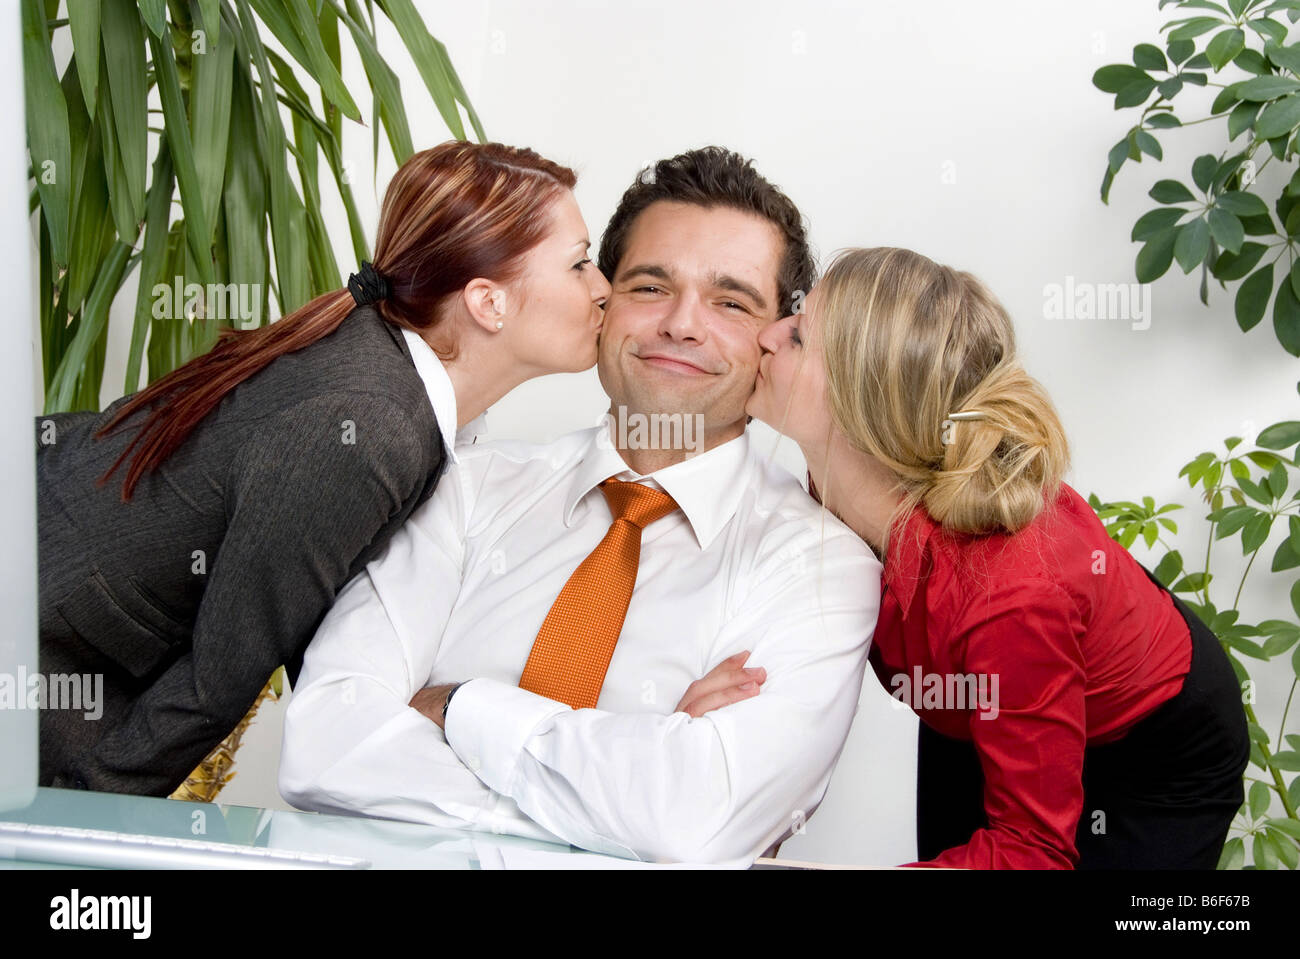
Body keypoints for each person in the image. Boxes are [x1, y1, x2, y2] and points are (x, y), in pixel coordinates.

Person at [278, 146, 882, 865]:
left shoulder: (822, 565)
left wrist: (461, 707)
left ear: (776, 338)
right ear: (602, 302)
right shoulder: (463, 487)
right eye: (651, 286)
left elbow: (697, 820)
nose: (682, 325)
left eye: (731, 302)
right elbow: (320, 746)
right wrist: (629, 782)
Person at [37, 140, 611, 797]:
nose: (604, 291)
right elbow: (214, 682)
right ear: (488, 303)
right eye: (580, 264)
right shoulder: (368, 428)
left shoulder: (390, 388)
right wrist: (73, 829)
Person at [746, 245, 1251, 869]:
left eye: (796, 337)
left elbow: (1033, 855)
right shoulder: (841, 484)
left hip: (1153, 747)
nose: (764, 336)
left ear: (862, 407)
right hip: (986, 690)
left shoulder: (1009, 599)